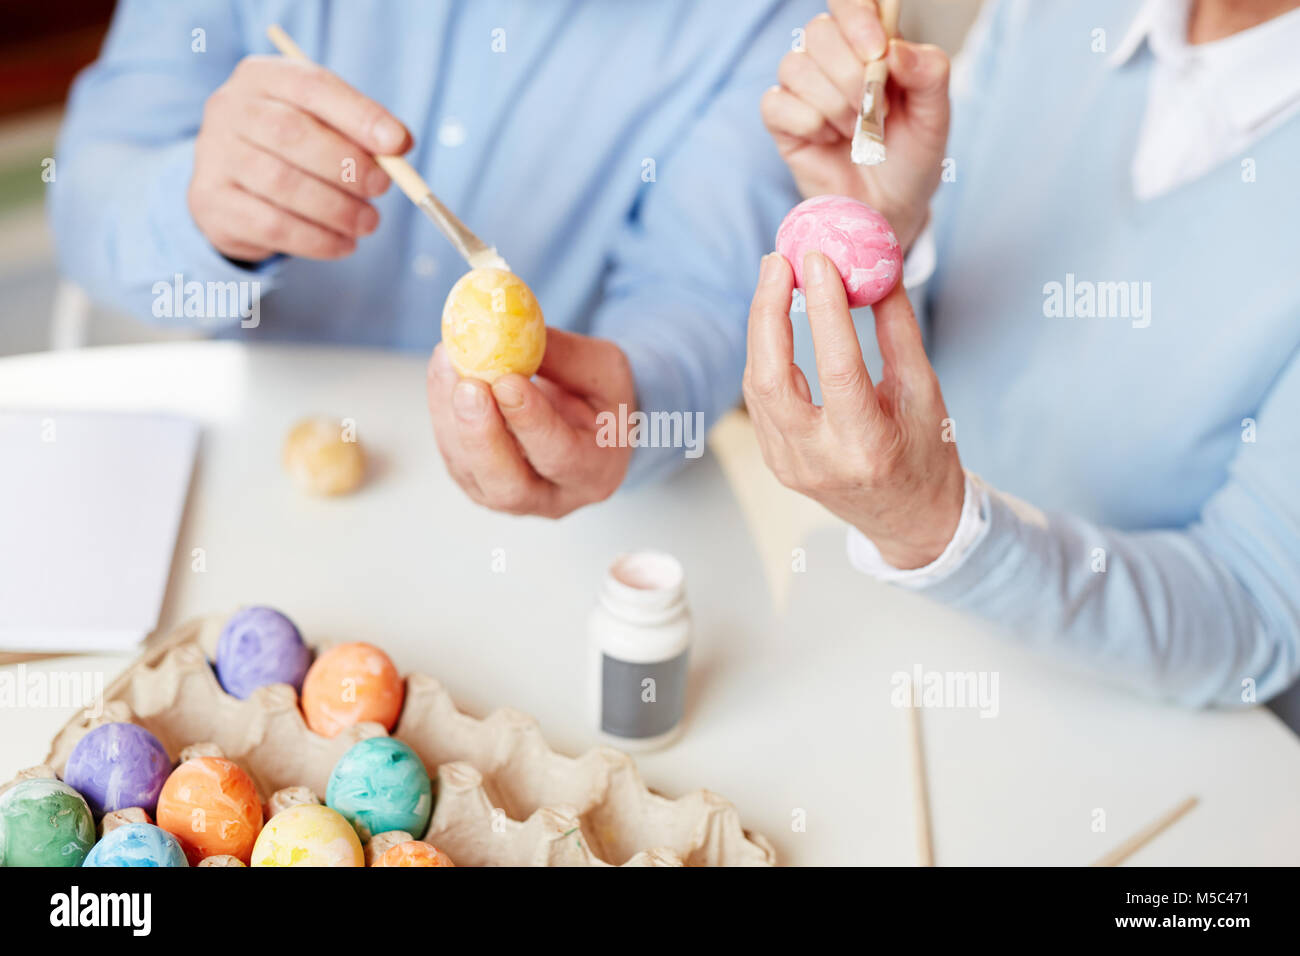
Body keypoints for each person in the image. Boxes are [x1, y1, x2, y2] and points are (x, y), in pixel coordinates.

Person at [50, 0, 855, 515]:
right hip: (261, 476)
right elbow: (86, 191)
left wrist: (625, 408)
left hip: (566, 538)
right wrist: (200, 203)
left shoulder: (762, 21)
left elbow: (698, 294)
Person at [748, 0, 1300, 720]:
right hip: (878, 630)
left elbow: (1254, 611)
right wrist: (882, 237)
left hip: (1124, 727)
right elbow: (846, 421)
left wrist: (941, 529)